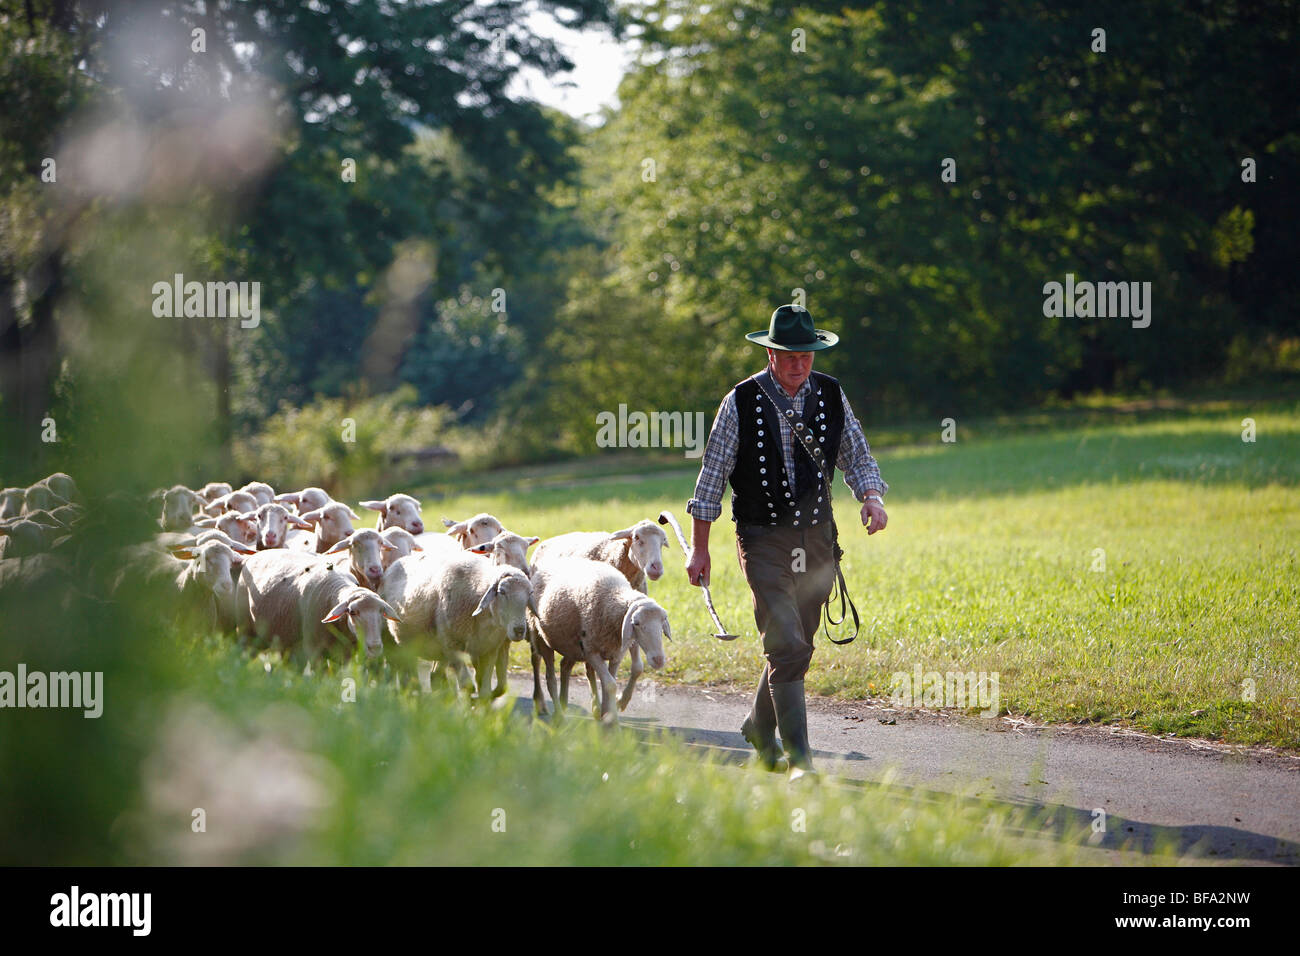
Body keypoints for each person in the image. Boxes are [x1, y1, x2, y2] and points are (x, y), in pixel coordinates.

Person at [685, 304, 888, 778]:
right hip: (761, 539)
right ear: (771, 354)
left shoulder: (831, 394)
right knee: (786, 641)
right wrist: (700, 548)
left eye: (806, 355)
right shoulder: (740, 401)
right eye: (789, 355)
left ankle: (760, 726)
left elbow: (856, 454)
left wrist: (872, 497)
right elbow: (710, 480)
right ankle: (801, 762)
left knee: (796, 643)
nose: (799, 364)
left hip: (816, 539)